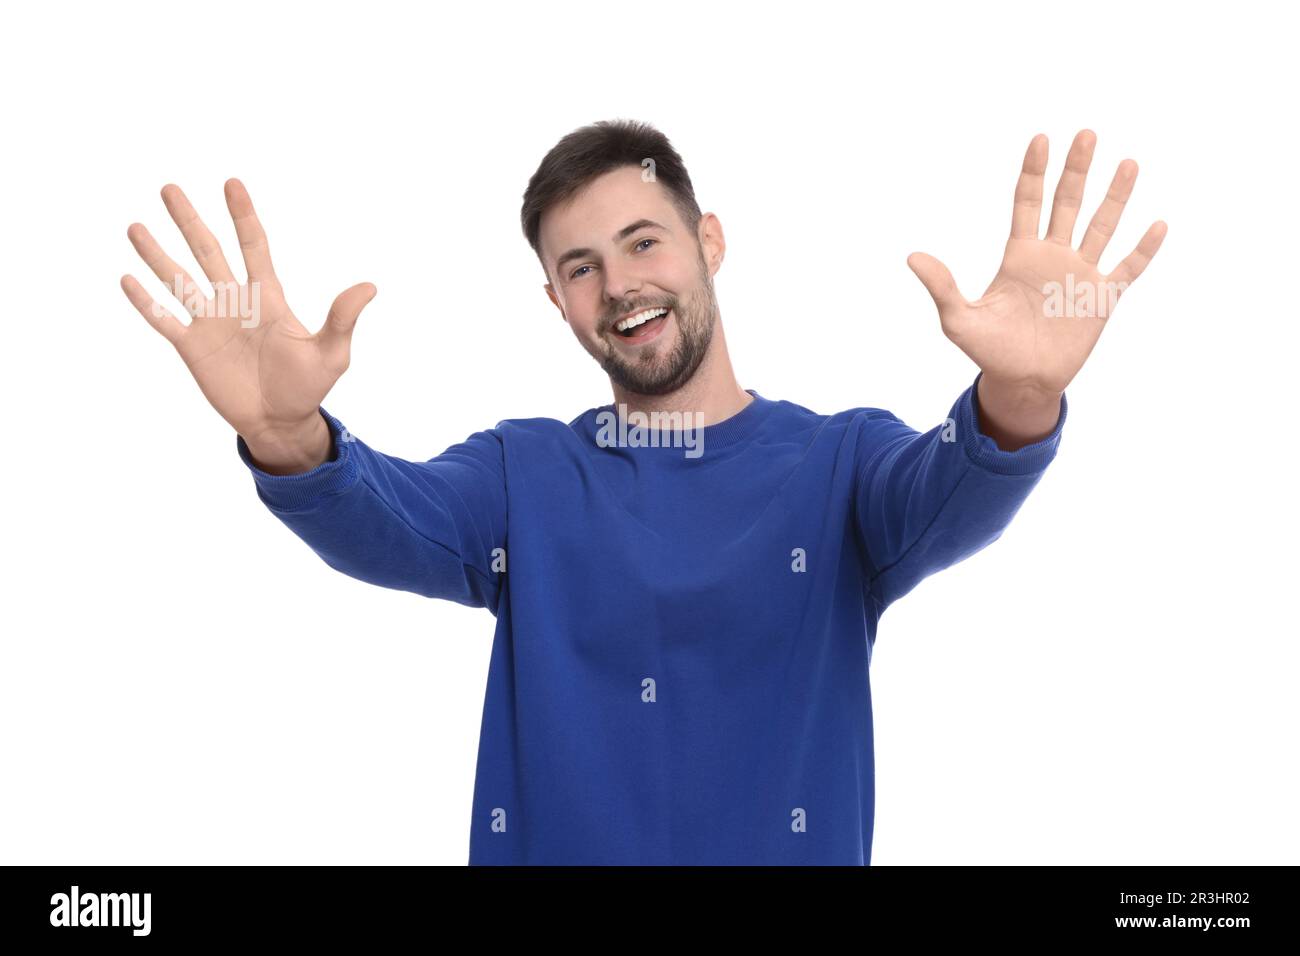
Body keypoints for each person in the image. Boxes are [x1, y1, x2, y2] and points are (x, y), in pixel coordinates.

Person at [120, 119, 1165, 865]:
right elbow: (381, 515)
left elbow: (951, 485)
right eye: (578, 266)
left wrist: (1020, 393)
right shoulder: (520, 475)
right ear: (555, 302)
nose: (618, 284)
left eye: (642, 241)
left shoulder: (839, 466)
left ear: (709, 242)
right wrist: (284, 430)